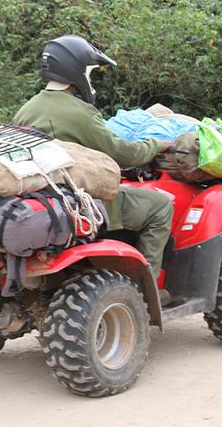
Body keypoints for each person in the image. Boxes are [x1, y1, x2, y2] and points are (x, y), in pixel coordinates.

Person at [12, 35, 174, 305]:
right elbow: (123, 153)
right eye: (91, 73)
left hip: (44, 196)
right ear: (77, 70)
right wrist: (156, 145)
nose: (92, 81)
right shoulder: (80, 113)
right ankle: (145, 291)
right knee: (160, 207)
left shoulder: (27, 108)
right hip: (83, 200)